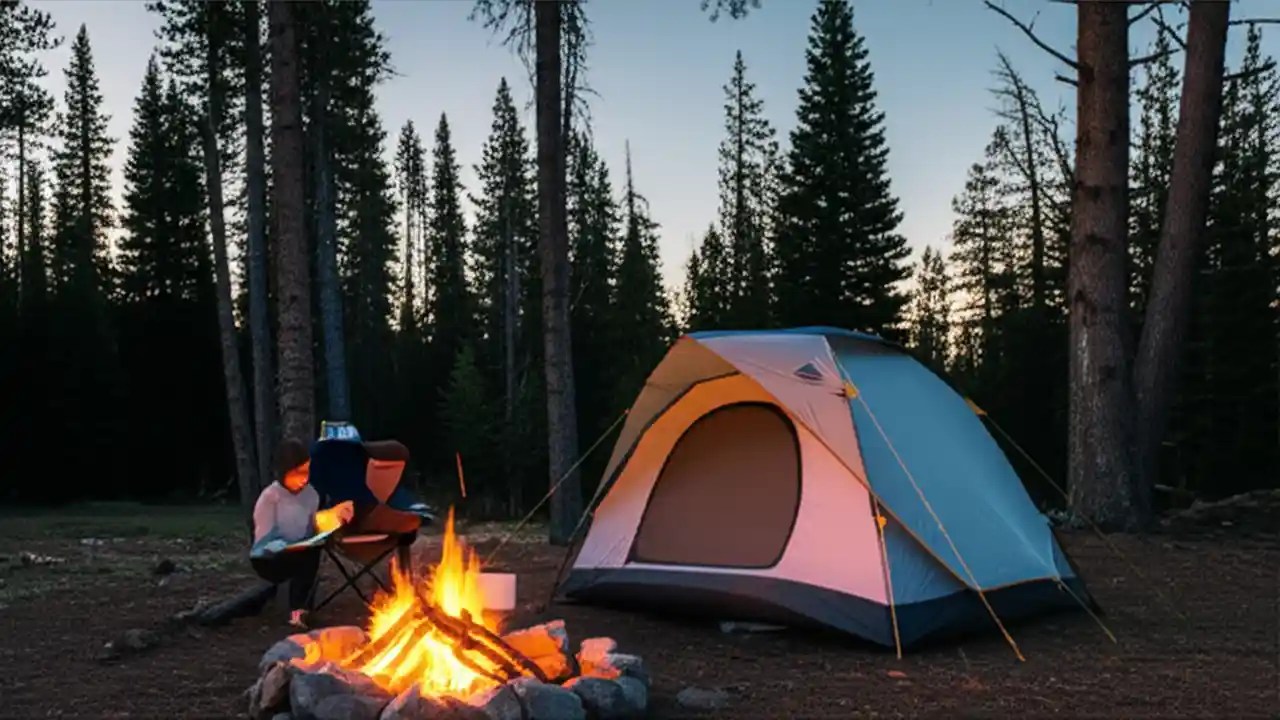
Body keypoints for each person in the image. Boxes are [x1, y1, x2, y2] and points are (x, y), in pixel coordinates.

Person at [250, 438, 354, 628]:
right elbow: (262, 541)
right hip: (268, 557)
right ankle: (298, 612)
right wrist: (283, 546)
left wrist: (332, 519)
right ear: (283, 472)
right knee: (303, 559)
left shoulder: (311, 495)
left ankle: (302, 612)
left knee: (310, 554)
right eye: (298, 473)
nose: (304, 478)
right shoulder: (269, 498)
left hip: (301, 550)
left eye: (306, 471)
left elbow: (312, 526)